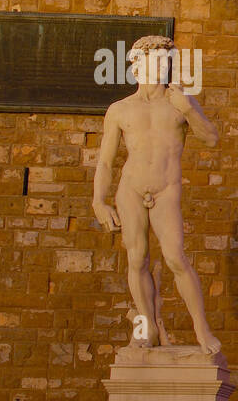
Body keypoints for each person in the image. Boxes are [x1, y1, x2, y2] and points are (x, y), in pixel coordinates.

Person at [92, 34, 221, 355]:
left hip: (166, 188)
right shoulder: (120, 109)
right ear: (138, 65)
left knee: (176, 257)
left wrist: (190, 110)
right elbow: (106, 161)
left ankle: (200, 327)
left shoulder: (179, 102)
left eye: (167, 61)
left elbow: (211, 139)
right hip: (131, 188)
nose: (163, 66)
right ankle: (146, 326)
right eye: (156, 60)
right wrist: (98, 200)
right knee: (137, 258)